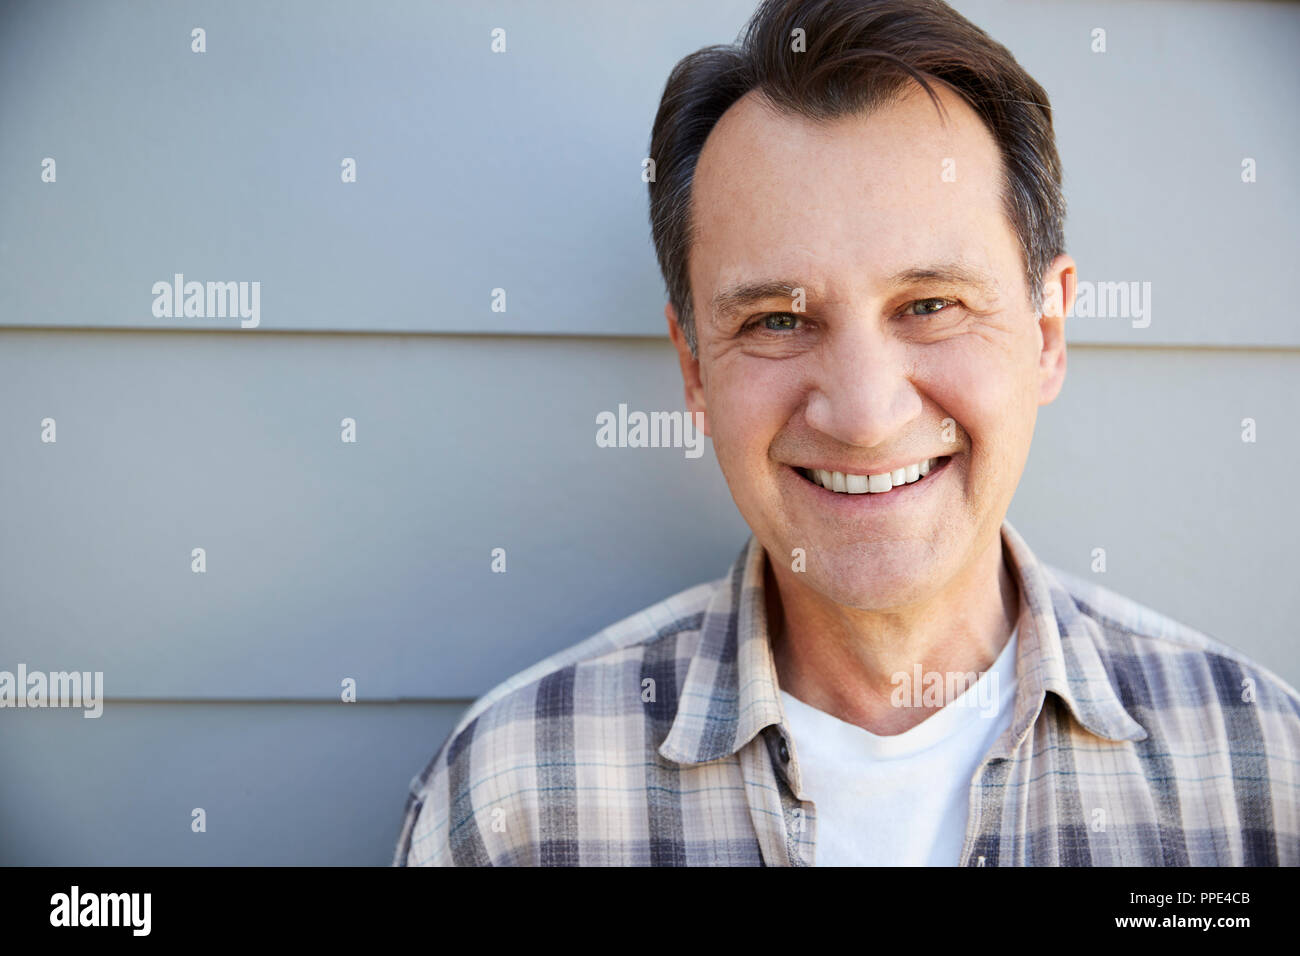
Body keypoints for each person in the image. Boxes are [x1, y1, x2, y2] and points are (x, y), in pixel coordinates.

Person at [394, 0, 1300, 866]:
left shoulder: (1256, 769)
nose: (865, 419)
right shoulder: (517, 800)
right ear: (695, 368)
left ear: (1047, 333)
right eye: (778, 321)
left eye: (931, 305)